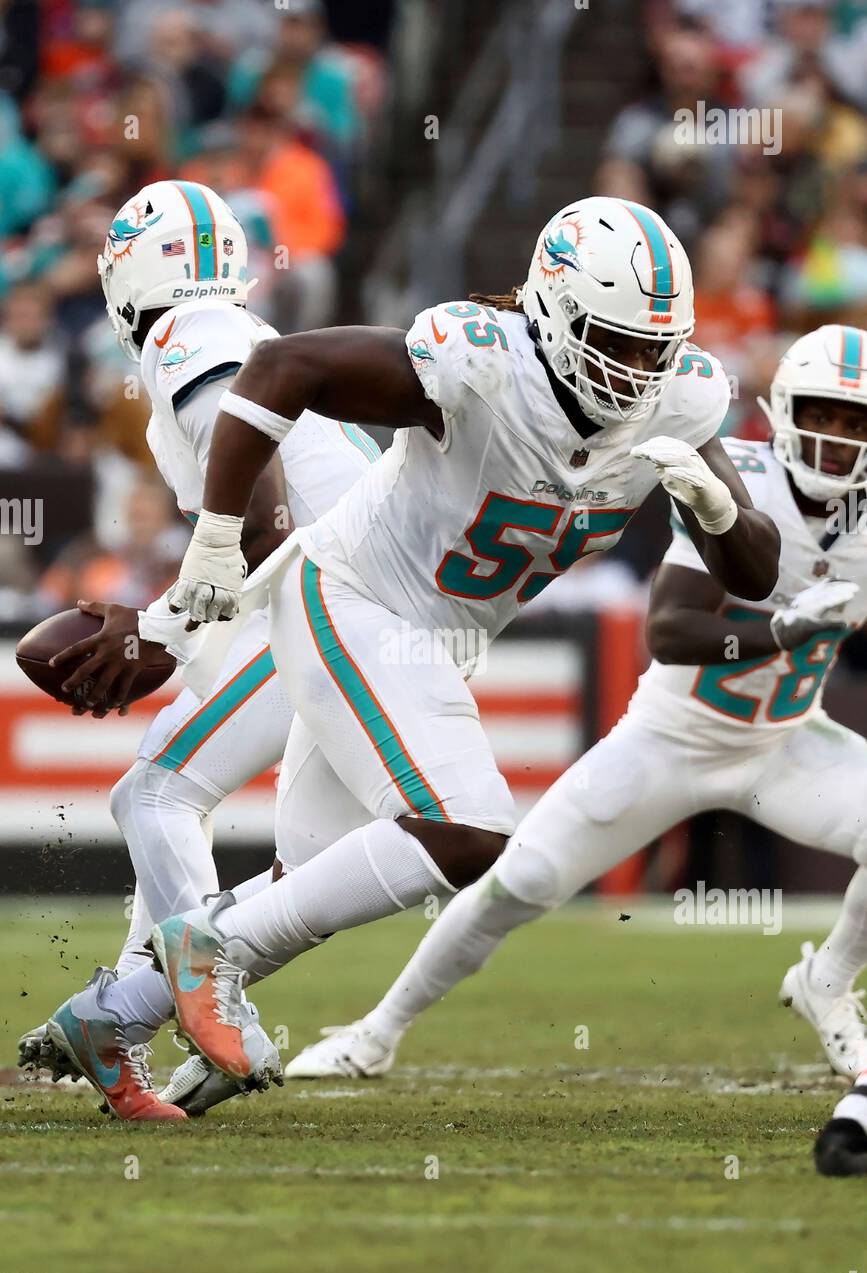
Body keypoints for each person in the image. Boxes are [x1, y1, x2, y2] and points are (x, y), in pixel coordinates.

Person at [45, 195, 780, 1111]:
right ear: (552, 312)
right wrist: (214, 543)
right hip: (351, 596)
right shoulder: (478, 357)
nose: (633, 371)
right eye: (612, 342)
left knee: (301, 884)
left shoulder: (680, 395)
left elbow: (753, 571)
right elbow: (282, 366)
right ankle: (203, 949)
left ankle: (114, 1015)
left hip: (431, 640)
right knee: (468, 827)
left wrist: (719, 512)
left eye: (650, 349)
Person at [283, 325, 867, 1081]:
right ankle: (375, 1032)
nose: (836, 439)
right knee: (519, 882)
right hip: (670, 738)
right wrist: (783, 627)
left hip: (783, 741)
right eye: (823, 415)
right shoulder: (739, 481)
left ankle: (827, 983)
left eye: (855, 423)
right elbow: (671, 632)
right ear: (784, 410)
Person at [20, 180, 378, 1120]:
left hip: (332, 595)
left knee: (155, 790)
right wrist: (171, 629)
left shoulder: (194, 336)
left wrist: (157, 627)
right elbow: (248, 539)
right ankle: (119, 1020)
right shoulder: (237, 332)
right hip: (347, 594)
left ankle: (213, 998)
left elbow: (259, 521)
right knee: (300, 864)